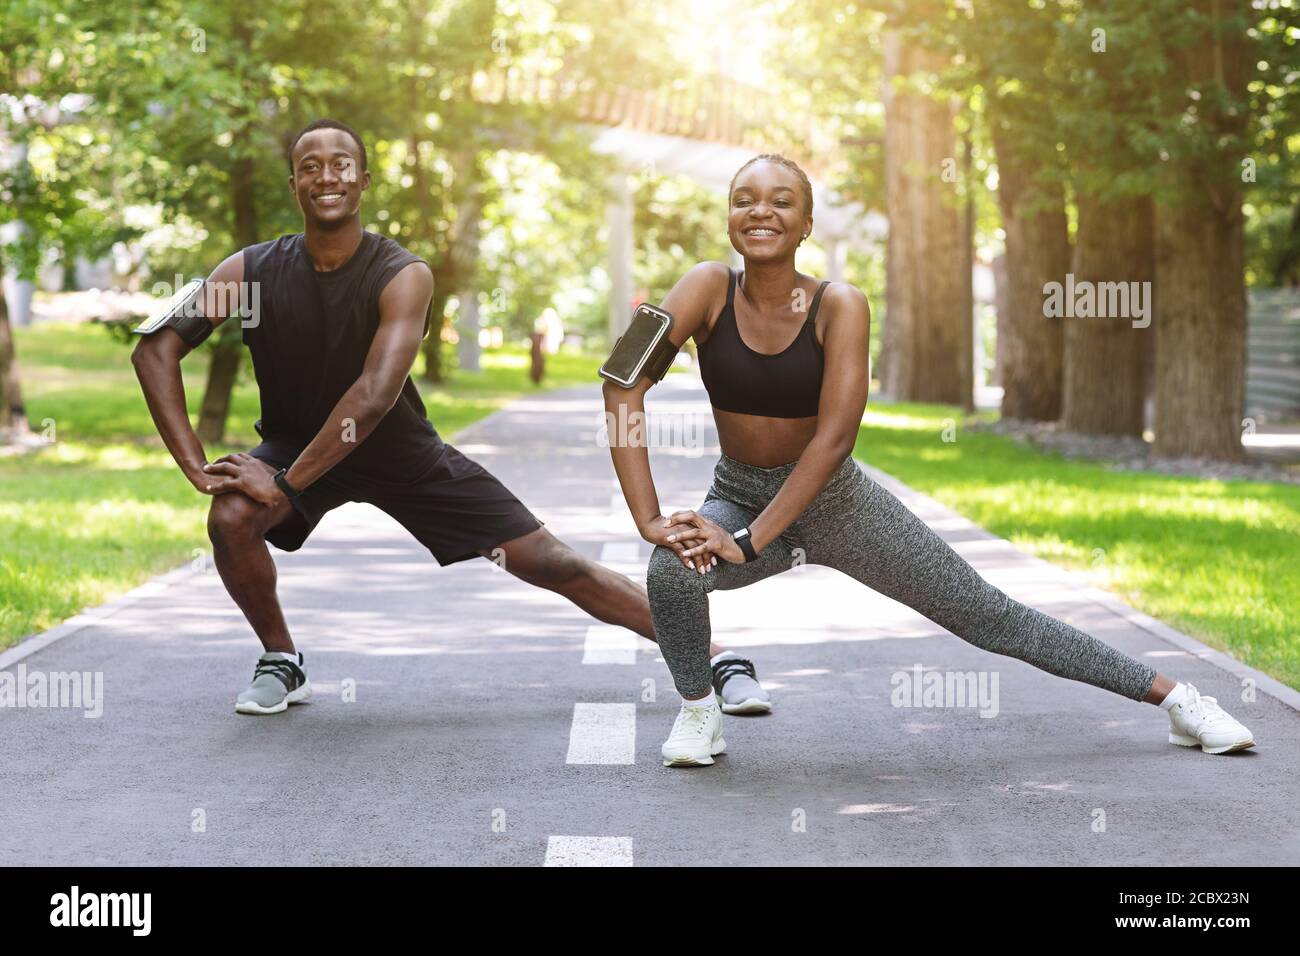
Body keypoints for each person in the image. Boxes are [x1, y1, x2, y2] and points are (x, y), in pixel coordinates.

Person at [603, 152, 1255, 767]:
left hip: (837, 503)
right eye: (744, 200)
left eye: (781, 201)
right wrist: (650, 518)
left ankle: (1179, 701)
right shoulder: (706, 287)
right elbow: (622, 381)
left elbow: (834, 441)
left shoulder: (840, 305)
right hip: (740, 494)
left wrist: (749, 541)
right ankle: (697, 710)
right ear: (729, 217)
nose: (761, 212)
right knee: (671, 570)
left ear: (805, 224)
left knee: (989, 617)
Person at [131, 118, 771, 716]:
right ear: (294, 181)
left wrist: (287, 484)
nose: (326, 176)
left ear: (363, 180)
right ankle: (281, 657)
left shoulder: (401, 273)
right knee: (232, 516)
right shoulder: (250, 271)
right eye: (310, 166)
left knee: (554, 564)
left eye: (341, 164)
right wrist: (197, 469)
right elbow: (156, 348)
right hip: (300, 451)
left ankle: (714, 658)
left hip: (399, 454)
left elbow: (374, 396)